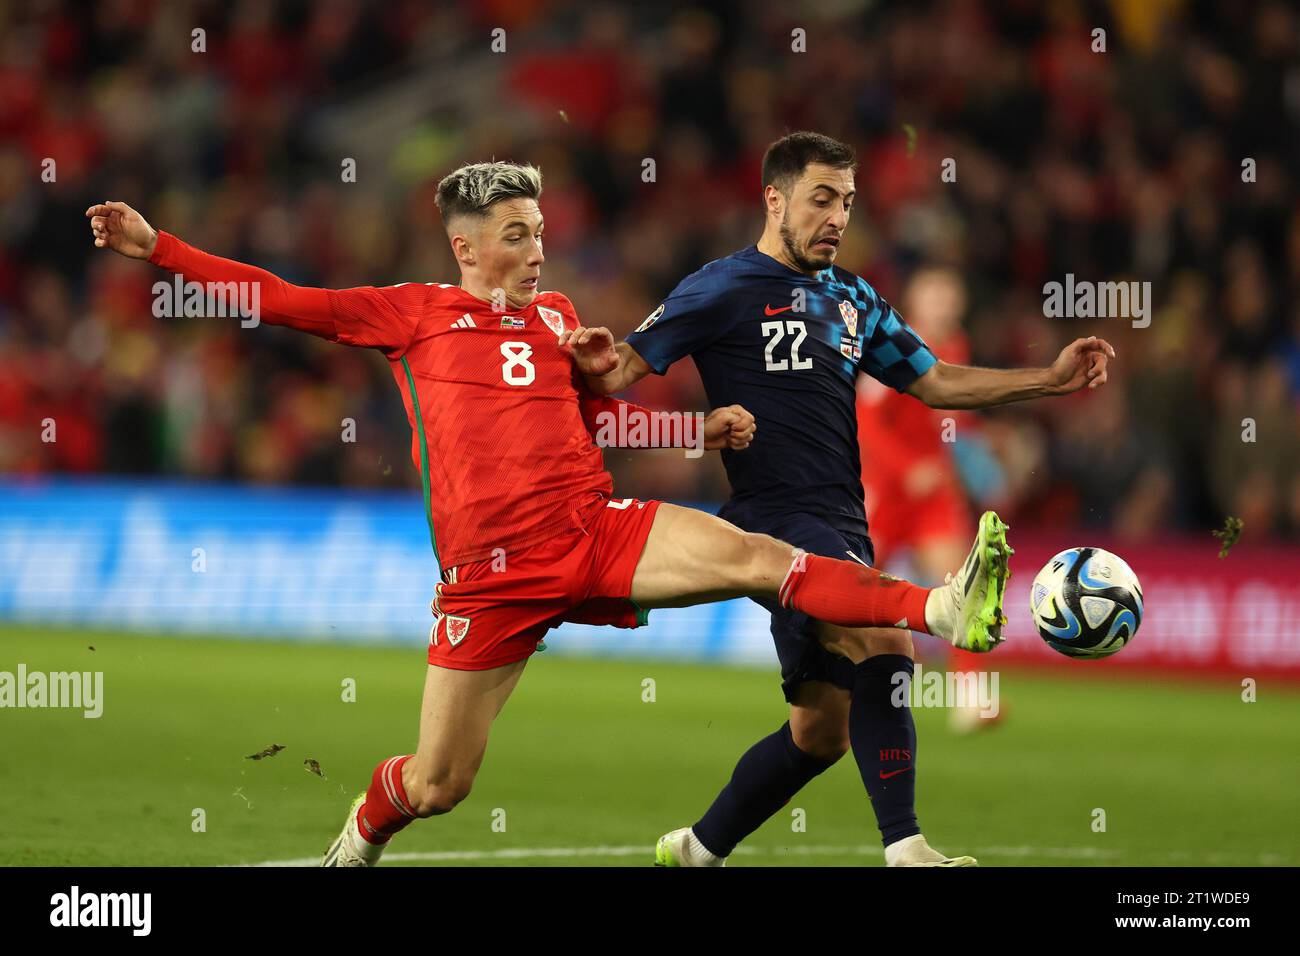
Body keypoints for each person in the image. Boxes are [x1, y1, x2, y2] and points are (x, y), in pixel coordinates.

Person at [84, 159, 1010, 868]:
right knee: (439, 783)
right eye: (518, 236)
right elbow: (280, 299)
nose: (536, 252)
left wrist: (700, 427)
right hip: (491, 581)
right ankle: (364, 830)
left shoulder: (559, 319)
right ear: (467, 248)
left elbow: (604, 418)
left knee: (759, 556)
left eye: (539, 232)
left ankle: (936, 608)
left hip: (594, 529)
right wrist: (158, 248)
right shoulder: (411, 315)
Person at [580, 132, 1114, 867]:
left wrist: (1047, 383)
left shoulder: (853, 297)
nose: (838, 217)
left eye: (849, 202)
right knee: (890, 641)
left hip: (843, 521)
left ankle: (698, 850)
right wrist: (580, 363)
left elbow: (934, 382)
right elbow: (618, 378)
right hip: (772, 521)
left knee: (820, 734)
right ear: (775, 200)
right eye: (822, 199)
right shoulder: (718, 288)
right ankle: (908, 847)